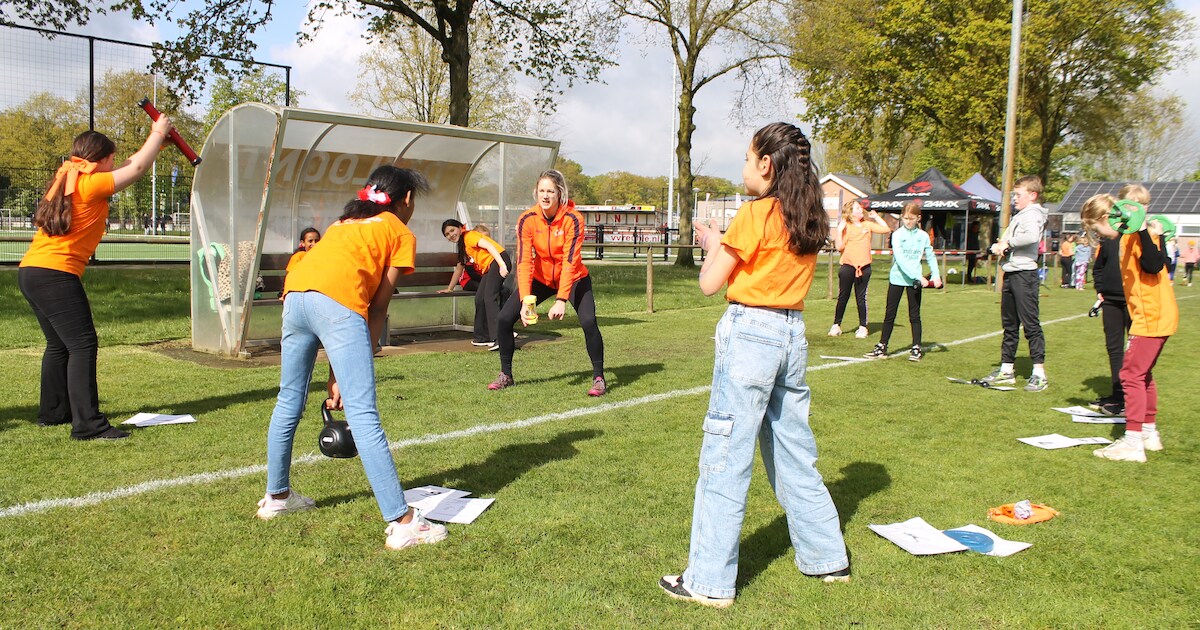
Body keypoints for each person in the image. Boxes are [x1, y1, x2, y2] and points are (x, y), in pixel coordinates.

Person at [658, 122, 849, 609]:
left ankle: (707, 580)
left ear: (766, 164)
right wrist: (722, 244)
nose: (743, 167)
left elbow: (709, 283)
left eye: (747, 158)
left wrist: (713, 245)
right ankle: (827, 558)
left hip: (750, 335)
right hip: (791, 335)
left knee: (725, 456)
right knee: (795, 452)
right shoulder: (807, 215)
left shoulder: (755, 212)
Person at [257, 165, 449, 550]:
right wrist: (348, 369)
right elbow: (376, 308)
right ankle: (403, 521)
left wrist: (337, 374)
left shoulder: (342, 223)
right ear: (406, 199)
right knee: (363, 414)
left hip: (295, 298)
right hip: (337, 305)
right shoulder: (399, 231)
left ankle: (277, 497)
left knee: (288, 399)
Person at [18, 117, 174, 440]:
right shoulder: (89, 185)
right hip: (55, 273)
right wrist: (159, 131)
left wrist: (156, 144)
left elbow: (129, 165)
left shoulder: (68, 176)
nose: (115, 165)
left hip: (31, 271)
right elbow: (136, 169)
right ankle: (88, 425)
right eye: (112, 159)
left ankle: (53, 413)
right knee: (82, 344)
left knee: (59, 345)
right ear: (101, 160)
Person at [487, 169, 607, 396]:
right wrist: (525, 300)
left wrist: (561, 299)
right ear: (536, 192)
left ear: (559, 193)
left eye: (550, 191)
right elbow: (524, 261)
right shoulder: (527, 219)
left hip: (573, 278)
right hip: (541, 279)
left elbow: (570, 262)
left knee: (589, 321)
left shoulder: (573, 218)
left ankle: (599, 378)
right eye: (541, 190)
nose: (545, 195)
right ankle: (506, 375)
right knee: (504, 318)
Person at [1080, 193, 1177, 462]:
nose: (1097, 234)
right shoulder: (1128, 238)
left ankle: (1133, 441)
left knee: (1131, 375)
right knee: (1143, 375)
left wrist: (1143, 229)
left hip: (1150, 316)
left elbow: (1156, 264)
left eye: (1096, 228)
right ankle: (1148, 432)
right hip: (1155, 314)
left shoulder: (1136, 236)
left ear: (1107, 218)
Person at [978, 175, 1049, 392]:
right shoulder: (1022, 215)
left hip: (1024, 275)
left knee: (1030, 324)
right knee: (1009, 325)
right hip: (1011, 273)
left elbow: (1032, 237)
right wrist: (999, 247)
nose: (1015, 198)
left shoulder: (1033, 214)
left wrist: (1007, 244)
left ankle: (1039, 373)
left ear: (1032, 195)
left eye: (1018, 194)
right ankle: (1006, 370)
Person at [863, 201, 942, 362]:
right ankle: (882, 346)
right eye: (905, 218)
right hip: (898, 279)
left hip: (914, 283)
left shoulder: (923, 236)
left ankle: (916, 347)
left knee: (914, 315)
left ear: (918, 218)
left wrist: (936, 275)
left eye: (911, 218)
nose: (908, 221)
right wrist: (918, 276)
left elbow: (930, 255)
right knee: (890, 314)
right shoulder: (898, 235)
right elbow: (900, 259)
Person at [439, 219, 512, 348]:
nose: (451, 235)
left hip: (497, 261)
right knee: (480, 298)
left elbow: (489, 246)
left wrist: (501, 264)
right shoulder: (463, 245)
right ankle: (482, 337)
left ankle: (500, 338)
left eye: (452, 230)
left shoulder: (469, 236)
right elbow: (459, 269)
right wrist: (450, 288)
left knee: (490, 297)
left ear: (460, 228)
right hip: (489, 267)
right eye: (447, 234)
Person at [829, 200, 889, 338]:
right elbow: (839, 247)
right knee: (843, 296)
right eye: (857, 208)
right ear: (851, 212)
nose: (861, 210)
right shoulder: (847, 227)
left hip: (864, 267)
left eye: (860, 208)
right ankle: (836, 325)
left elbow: (886, 229)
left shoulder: (867, 225)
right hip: (847, 267)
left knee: (861, 297)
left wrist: (876, 217)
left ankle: (863, 327)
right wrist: (839, 230)